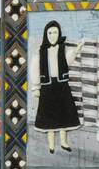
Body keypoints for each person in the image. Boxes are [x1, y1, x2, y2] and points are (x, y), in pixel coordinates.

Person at [34, 21, 81, 154]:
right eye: (50, 32)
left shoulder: (62, 49)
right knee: (49, 115)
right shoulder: (42, 52)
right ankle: (51, 144)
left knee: (63, 114)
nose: (52, 35)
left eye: (55, 32)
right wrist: (35, 87)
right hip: (47, 86)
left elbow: (67, 61)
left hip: (61, 85)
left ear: (59, 33)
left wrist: (76, 51)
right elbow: (35, 69)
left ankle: (63, 142)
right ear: (45, 34)